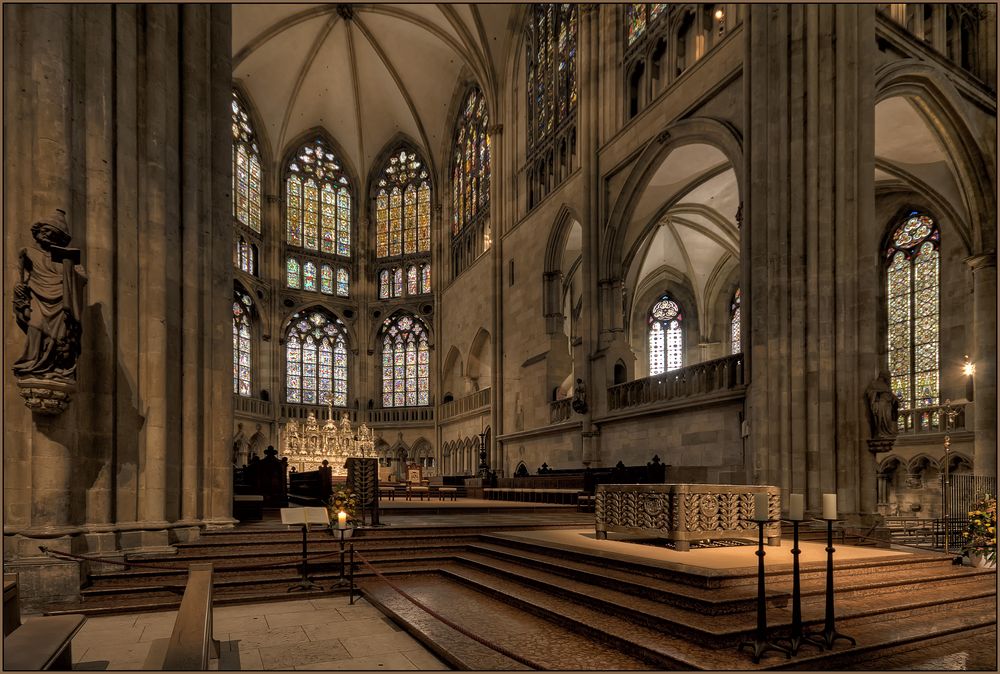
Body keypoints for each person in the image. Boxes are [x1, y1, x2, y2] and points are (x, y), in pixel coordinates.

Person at [12, 209, 87, 382]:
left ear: (58, 238)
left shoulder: (64, 260)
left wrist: (75, 274)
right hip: (38, 299)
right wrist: (19, 290)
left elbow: (81, 278)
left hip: (60, 303)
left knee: (61, 338)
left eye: (52, 233)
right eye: (45, 230)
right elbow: (20, 279)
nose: (47, 235)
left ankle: (57, 368)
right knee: (35, 326)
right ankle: (31, 365)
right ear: (37, 231)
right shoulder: (28, 252)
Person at [867, 370, 900, 438]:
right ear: (883, 375)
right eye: (888, 376)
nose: (889, 377)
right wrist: (876, 397)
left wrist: (895, 399)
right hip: (881, 405)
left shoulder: (886, 385)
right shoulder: (874, 383)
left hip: (888, 405)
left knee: (888, 419)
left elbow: (890, 395)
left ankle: (887, 432)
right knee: (881, 420)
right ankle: (880, 432)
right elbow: (870, 393)